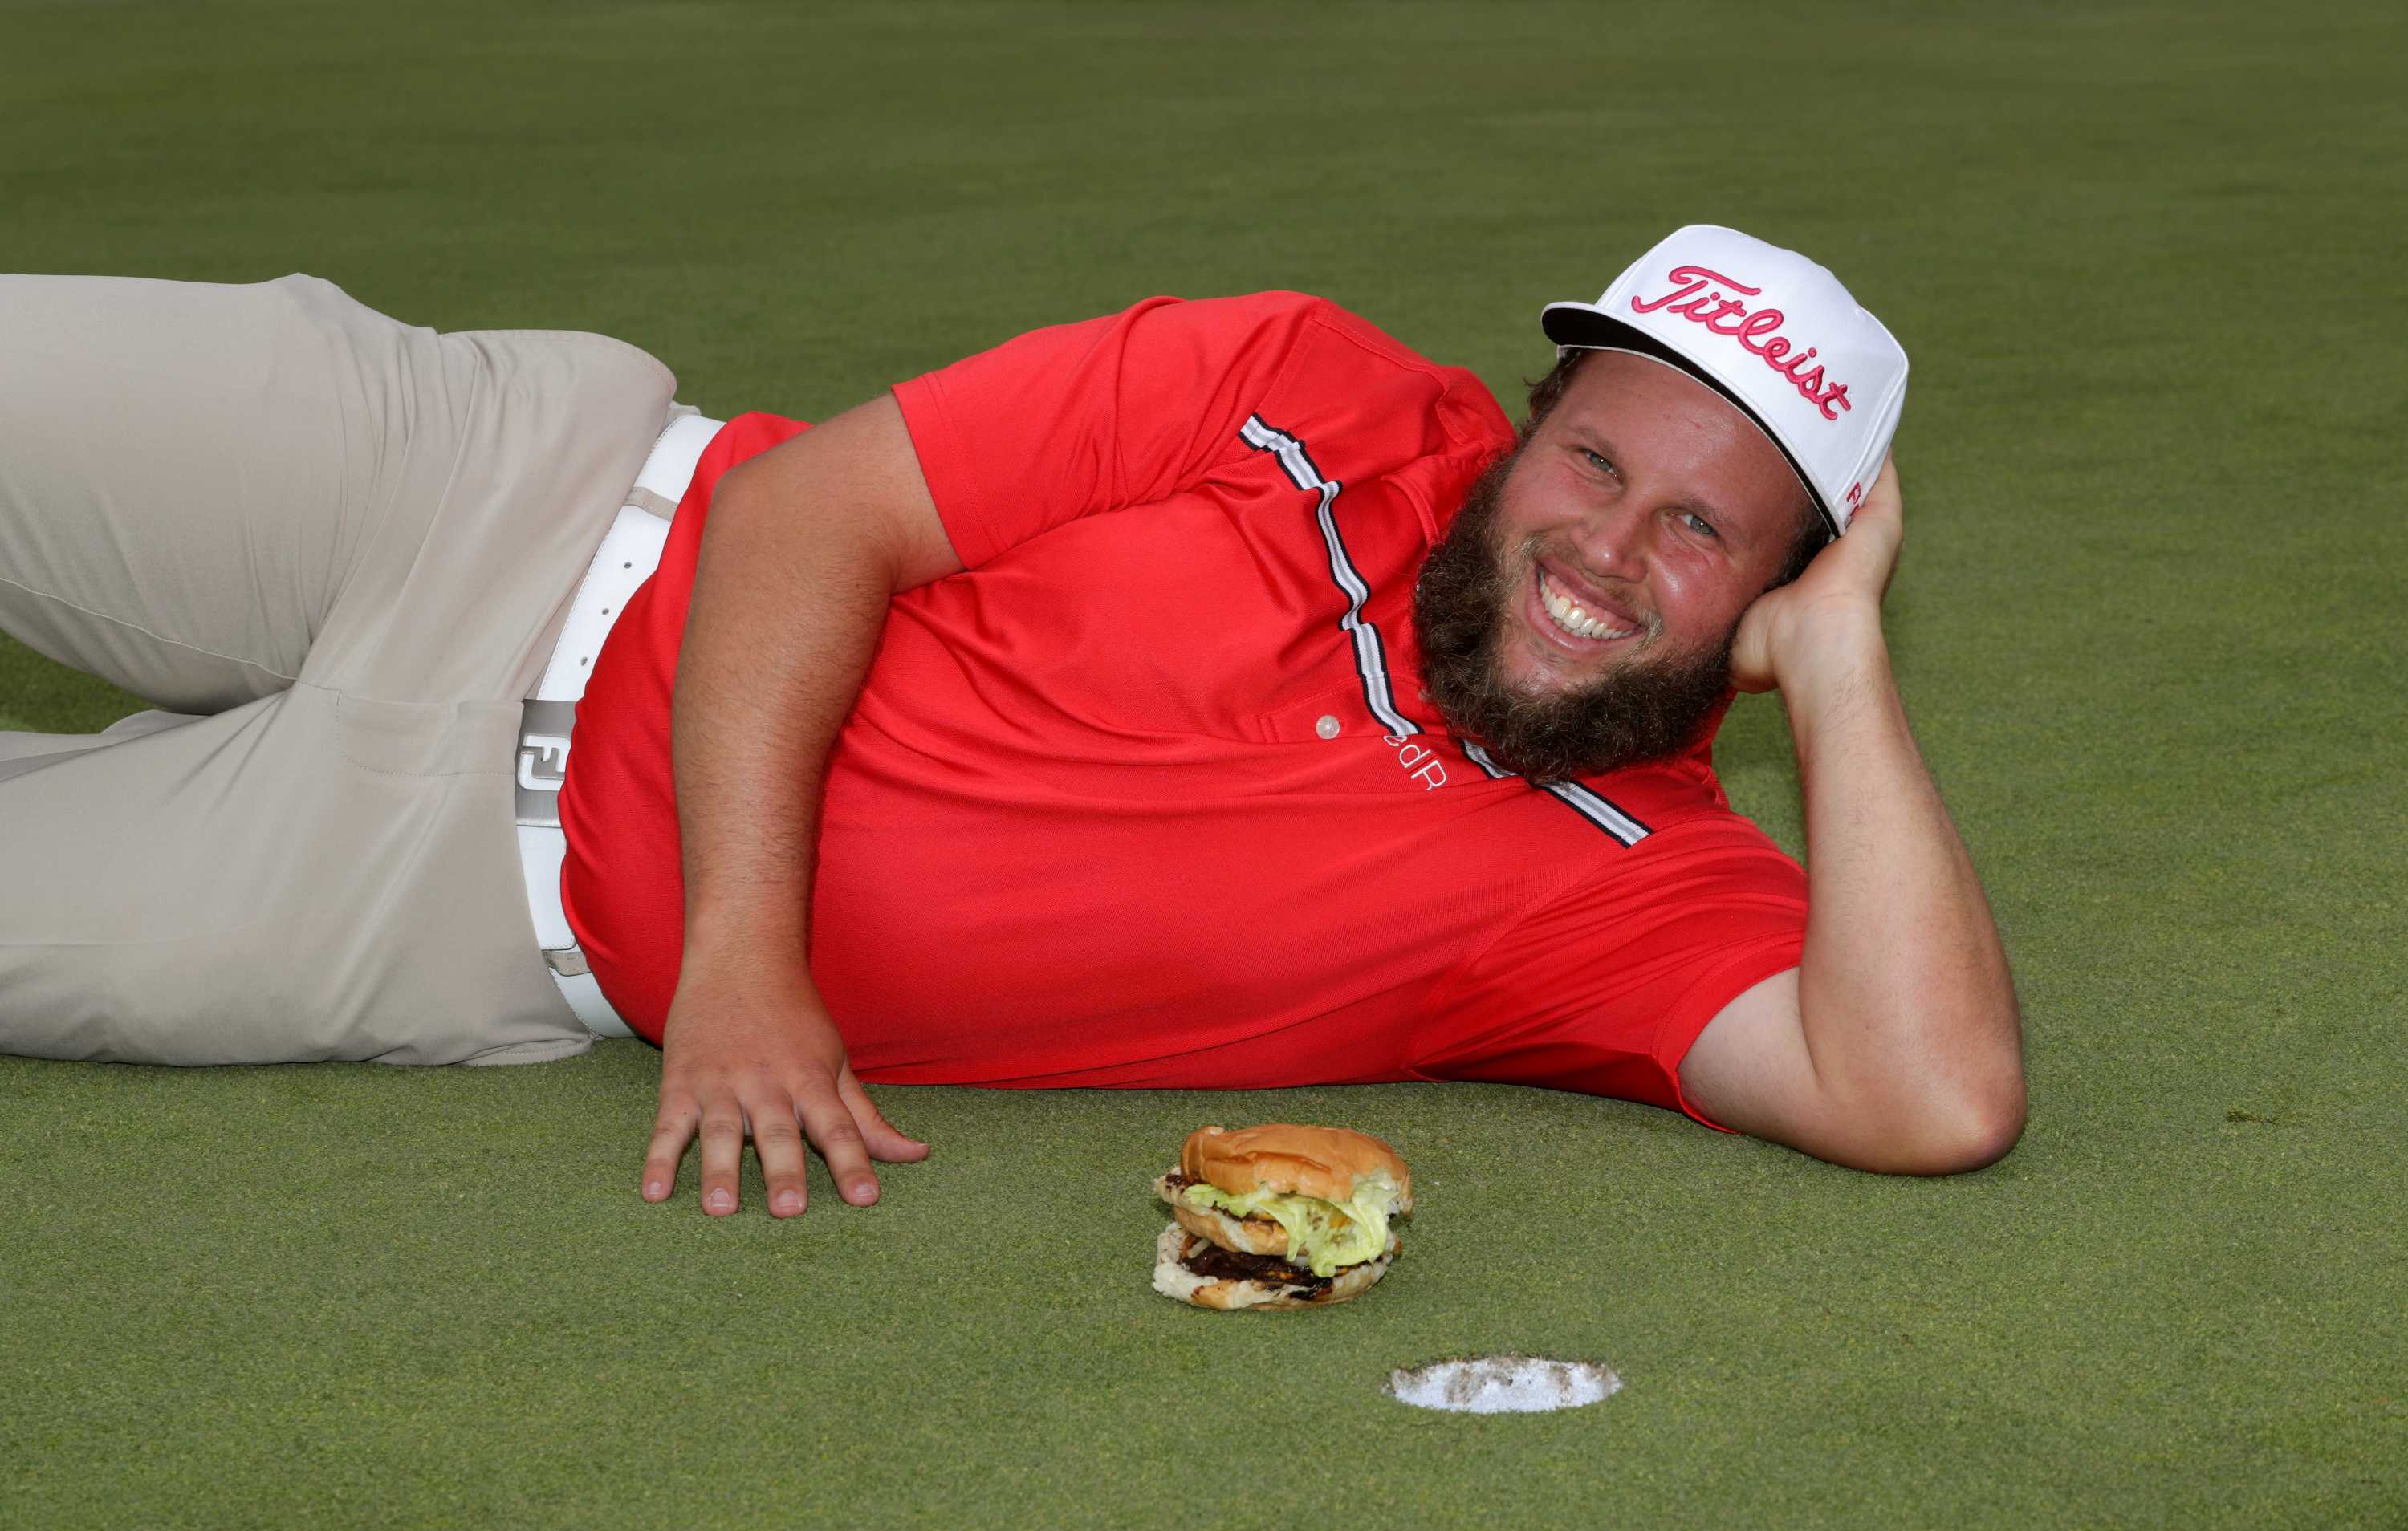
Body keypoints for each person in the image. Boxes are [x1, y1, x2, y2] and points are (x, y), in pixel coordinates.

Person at [0, 224, 2025, 1216]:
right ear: (1527, 429)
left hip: (433, 903)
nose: (1607, 549)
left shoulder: (1626, 887)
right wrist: (743, 963)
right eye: (1593, 463)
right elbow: (806, 514)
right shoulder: (1303, 389)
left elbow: (1927, 1099)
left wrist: (1847, 664)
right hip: (496, 492)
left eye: (1706, 532)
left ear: (1772, 592)